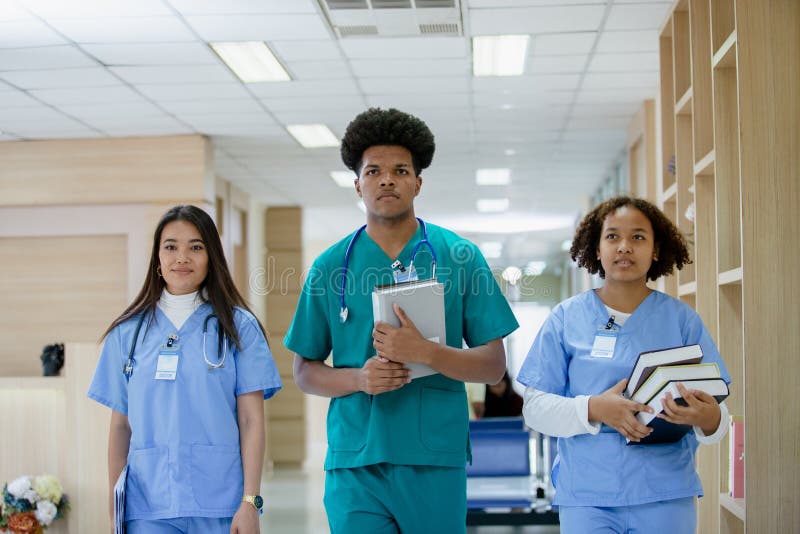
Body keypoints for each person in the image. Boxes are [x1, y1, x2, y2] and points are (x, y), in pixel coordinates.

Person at [285, 108, 519, 533]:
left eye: (400, 170)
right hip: (356, 461)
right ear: (358, 185)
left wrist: (428, 352)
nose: (387, 180)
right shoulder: (329, 267)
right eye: (373, 171)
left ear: (418, 183)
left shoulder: (460, 257)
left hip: (433, 458)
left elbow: (492, 365)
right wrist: (359, 379)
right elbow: (304, 371)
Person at [517, 196, 731, 533]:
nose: (624, 247)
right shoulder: (566, 319)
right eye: (612, 236)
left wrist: (709, 419)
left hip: (665, 494)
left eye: (638, 237)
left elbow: (716, 407)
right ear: (597, 249)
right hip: (588, 497)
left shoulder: (681, 321)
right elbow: (534, 408)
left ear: (655, 250)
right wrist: (594, 408)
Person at [88, 205, 282, 534]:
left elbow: (251, 421)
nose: (182, 258)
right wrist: (113, 511)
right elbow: (120, 427)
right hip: (147, 505)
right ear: (157, 258)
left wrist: (250, 501)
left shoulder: (239, 327)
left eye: (195, 247)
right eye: (171, 247)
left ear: (211, 257)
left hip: (221, 502)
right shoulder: (128, 333)